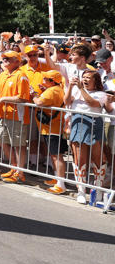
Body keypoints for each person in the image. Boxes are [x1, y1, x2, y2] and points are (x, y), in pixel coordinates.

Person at [0, 50, 31, 184]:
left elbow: (23, 98)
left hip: (18, 116)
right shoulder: (3, 74)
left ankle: (20, 173)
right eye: (4, 58)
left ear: (17, 61)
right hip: (4, 115)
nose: (4, 60)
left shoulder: (21, 75)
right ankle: (13, 168)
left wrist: (3, 99)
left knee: (18, 145)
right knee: (2, 141)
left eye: (8, 59)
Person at [64, 68, 108, 205]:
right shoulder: (76, 90)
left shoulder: (101, 94)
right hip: (78, 123)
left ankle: (97, 191)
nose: (85, 79)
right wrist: (71, 87)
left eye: (89, 77)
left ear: (96, 80)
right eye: (84, 77)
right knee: (79, 159)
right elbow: (66, 101)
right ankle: (81, 191)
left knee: (98, 159)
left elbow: (92, 103)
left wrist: (81, 88)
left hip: (94, 124)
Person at [33, 70, 67, 195]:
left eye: (46, 79)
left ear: (52, 81)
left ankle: (61, 184)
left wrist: (34, 95)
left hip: (53, 128)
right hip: (52, 128)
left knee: (57, 155)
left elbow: (39, 102)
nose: (43, 81)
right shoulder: (54, 89)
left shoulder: (53, 91)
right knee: (54, 154)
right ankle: (57, 178)